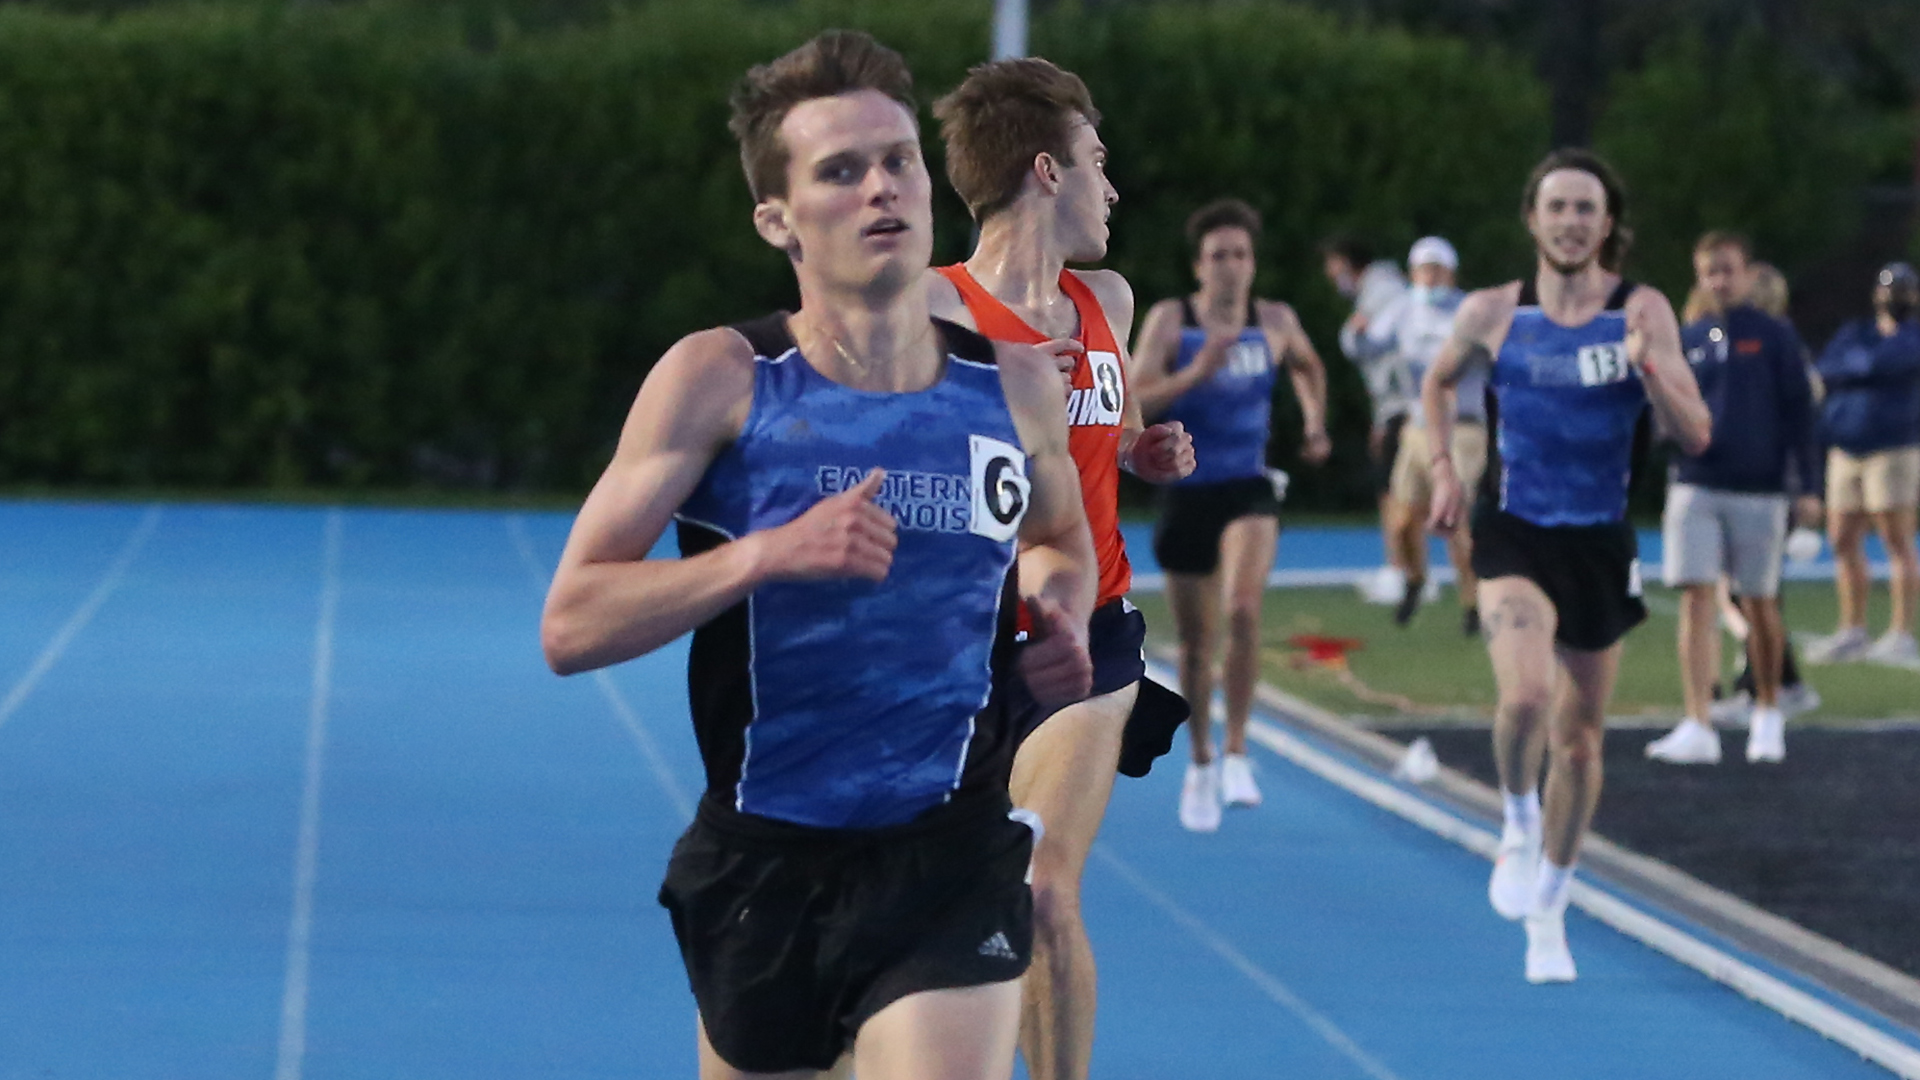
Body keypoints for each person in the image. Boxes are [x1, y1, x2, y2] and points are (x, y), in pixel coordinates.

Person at [539, 32, 1100, 1080]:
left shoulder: (1015, 387)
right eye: (841, 171)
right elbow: (571, 622)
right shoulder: (722, 380)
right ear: (778, 219)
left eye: (898, 160)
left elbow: (1060, 542)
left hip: (950, 848)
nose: (881, 188)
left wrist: (1052, 615)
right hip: (767, 859)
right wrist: (761, 558)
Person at [924, 57, 1194, 1080]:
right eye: (1099, 162)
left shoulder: (1110, 300)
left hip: (1088, 639)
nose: (1113, 189)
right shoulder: (926, 307)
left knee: (1040, 885)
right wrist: (1003, 394)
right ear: (1047, 170)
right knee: (915, 914)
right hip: (951, 650)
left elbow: (1107, 432)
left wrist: (1139, 451)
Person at [1422, 148, 1710, 983]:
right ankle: (1515, 818)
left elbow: (1695, 433)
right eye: (1558, 207)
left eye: (1587, 208)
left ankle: (1552, 897)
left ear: (1607, 222)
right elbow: (1438, 386)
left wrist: (1651, 364)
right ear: (1533, 219)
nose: (1572, 221)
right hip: (1513, 530)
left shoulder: (1642, 308)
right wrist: (1444, 468)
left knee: (1581, 746)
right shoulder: (1492, 312)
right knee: (1526, 696)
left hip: (1600, 540)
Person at [1133, 199, 1332, 833]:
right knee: (1197, 641)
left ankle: (1240, 751)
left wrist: (1316, 421)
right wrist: (1196, 372)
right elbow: (1134, 393)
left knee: (1244, 609)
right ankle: (1200, 761)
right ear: (1199, 265)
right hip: (1188, 488)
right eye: (1218, 256)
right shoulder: (1173, 319)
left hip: (1249, 486)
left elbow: (1309, 366)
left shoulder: (1274, 320)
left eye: (1240, 255)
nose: (1230, 267)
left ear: (1253, 263)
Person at [1643, 232, 1819, 766]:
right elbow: (1664, 413)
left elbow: (1800, 414)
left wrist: (1808, 487)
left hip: (1759, 486)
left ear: (1747, 273)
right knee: (1696, 597)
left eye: (1728, 270)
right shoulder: (1688, 336)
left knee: (1758, 600)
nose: (1719, 280)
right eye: (1709, 271)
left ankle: (1767, 709)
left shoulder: (1775, 337)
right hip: (1695, 480)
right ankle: (1699, 719)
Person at [1705, 260, 1821, 722]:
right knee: (1744, 590)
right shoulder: (1751, 344)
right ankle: (1765, 680)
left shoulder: (1774, 346)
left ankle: (1773, 683)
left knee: (1752, 592)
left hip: (1772, 485)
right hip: (1762, 482)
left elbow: (1799, 416)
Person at [1368, 236, 1486, 631]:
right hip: (1419, 426)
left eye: (1437, 268)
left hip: (1463, 428)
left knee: (1458, 521)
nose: (1430, 277)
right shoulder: (1402, 309)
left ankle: (1472, 602)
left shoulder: (1470, 311)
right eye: (1423, 268)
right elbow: (1366, 345)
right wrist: (1355, 333)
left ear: (1450, 272)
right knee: (1402, 520)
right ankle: (1416, 579)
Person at [1804, 262, 1920, 665]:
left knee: (1895, 538)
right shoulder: (1856, 331)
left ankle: (1901, 631)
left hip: (1892, 447)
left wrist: (1856, 368)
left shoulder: (1913, 336)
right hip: (1846, 446)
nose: (1896, 298)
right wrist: (1858, 367)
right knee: (1841, 538)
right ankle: (1852, 628)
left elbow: (1879, 363)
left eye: (1903, 290)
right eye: (1891, 289)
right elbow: (1828, 366)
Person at [1323, 234, 1414, 606]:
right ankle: (1409, 572)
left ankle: (1399, 572)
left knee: (1392, 490)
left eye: (1332, 265)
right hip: (1401, 405)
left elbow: (1387, 352)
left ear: (1345, 262)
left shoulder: (1383, 294)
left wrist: (1392, 410)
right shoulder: (1384, 292)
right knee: (1403, 491)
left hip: (1402, 405)